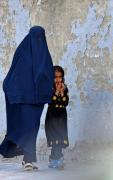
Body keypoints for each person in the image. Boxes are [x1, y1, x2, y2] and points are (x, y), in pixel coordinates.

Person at [0, 26, 54, 171]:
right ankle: (17, 154)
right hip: (22, 99)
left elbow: (49, 75)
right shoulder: (22, 52)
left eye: (41, 37)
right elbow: (13, 74)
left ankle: (28, 159)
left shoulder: (45, 56)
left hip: (37, 100)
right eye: (36, 37)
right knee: (21, 128)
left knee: (32, 129)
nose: (39, 40)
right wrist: (13, 90)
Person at [45, 65, 69, 169]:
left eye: (60, 77)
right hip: (52, 117)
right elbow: (52, 101)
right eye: (56, 77)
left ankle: (57, 158)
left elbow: (65, 102)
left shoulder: (65, 88)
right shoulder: (49, 89)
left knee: (60, 138)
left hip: (61, 118)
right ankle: (55, 159)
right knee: (55, 139)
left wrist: (62, 92)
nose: (58, 79)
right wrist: (56, 92)